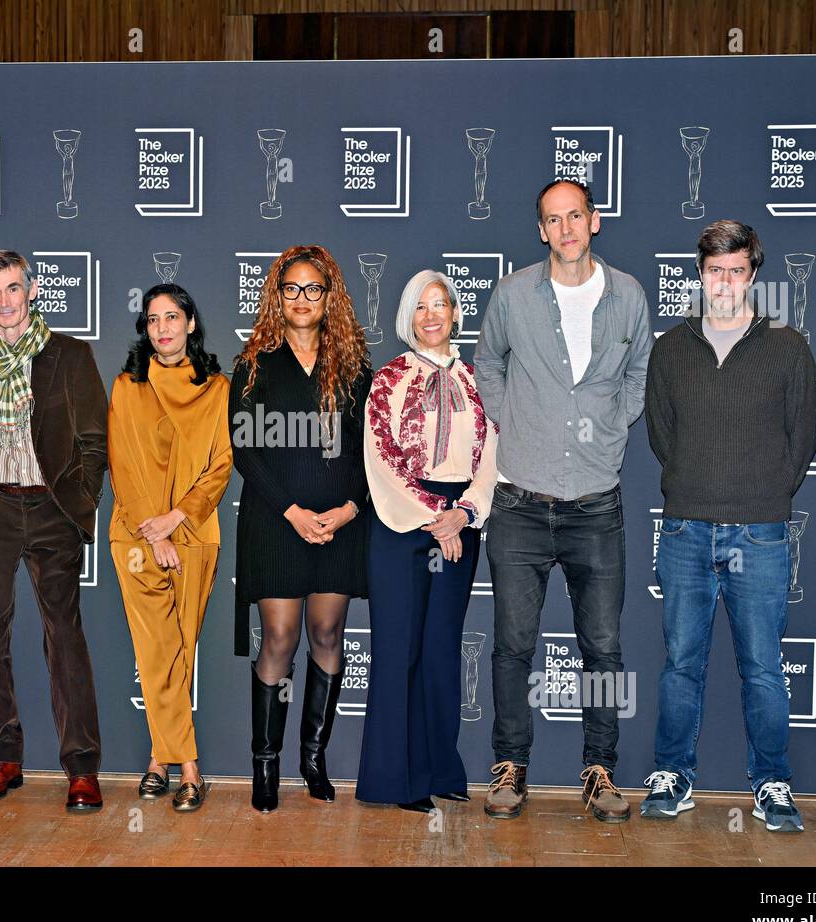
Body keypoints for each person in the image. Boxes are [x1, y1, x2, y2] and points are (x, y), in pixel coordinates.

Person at [475, 179, 654, 823]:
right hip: (520, 503)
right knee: (512, 645)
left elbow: (640, 377)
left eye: (576, 215)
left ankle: (600, 772)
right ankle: (510, 767)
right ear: (542, 231)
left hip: (596, 506)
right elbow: (487, 364)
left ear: (594, 221)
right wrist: (512, 422)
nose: (567, 228)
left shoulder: (629, 296)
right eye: (553, 219)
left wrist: (609, 427)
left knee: (603, 647)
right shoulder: (513, 295)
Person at [642, 220, 816, 833]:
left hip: (761, 534)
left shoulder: (788, 348)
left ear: (752, 274)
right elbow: (662, 436)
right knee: (681, 662)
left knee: (764, 667)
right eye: (714, 270)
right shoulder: (670, 349)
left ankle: (772, 783)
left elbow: (802, 444)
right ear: (700, 273)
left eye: (736, 270)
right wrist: (698, 484)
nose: (724, 281)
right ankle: (672, 774)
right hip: (686, 529)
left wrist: (761, 497)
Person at [0, 249, 109, 812]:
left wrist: (77, 497)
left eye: (13, 288)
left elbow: (94, 439)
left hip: (53, 508)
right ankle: (2, 756)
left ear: (32, 291)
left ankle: (81, 767)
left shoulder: (69, 355)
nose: (4, 301)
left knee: (65, 637)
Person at [231, 243, 372, 813]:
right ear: (277, 296)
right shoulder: (254, 364)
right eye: (291, 288)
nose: (302, 298)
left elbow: (375, 452)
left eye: (314, 288)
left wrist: (350, 508)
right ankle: (265, 766)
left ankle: (312, 759)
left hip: (340, 523)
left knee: (327, 635)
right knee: (281, 638)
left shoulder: (358, 368)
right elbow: (245, 447)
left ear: (329, 296)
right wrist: (291, 510)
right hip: (274, 520)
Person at [357, 270, 498, 813]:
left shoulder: (477, 379)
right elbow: (382, 458)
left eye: (442, 304)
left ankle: (440, 768)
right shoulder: (388, 378)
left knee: (441, 648)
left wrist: (463, 513)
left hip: (459, 526)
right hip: (401, 526)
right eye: (421, 306)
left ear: (457, 313)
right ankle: (398, 780)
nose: (433, 314)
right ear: (407, 318)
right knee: (401, 651)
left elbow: (491, 455)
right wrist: (436, 516)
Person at [108, 283, 232, 813]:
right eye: (153, 319)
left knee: (179, 646)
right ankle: (189, 769)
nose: (162, 327)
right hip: (135, 539)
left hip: (195, 535)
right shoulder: (126, 386)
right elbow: (122, 467)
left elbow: (221, 464)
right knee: (156, 652)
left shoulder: (218, 388)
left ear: (191, 323)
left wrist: (177, 518)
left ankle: (159, 759)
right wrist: (151, 530)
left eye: (172, 317)